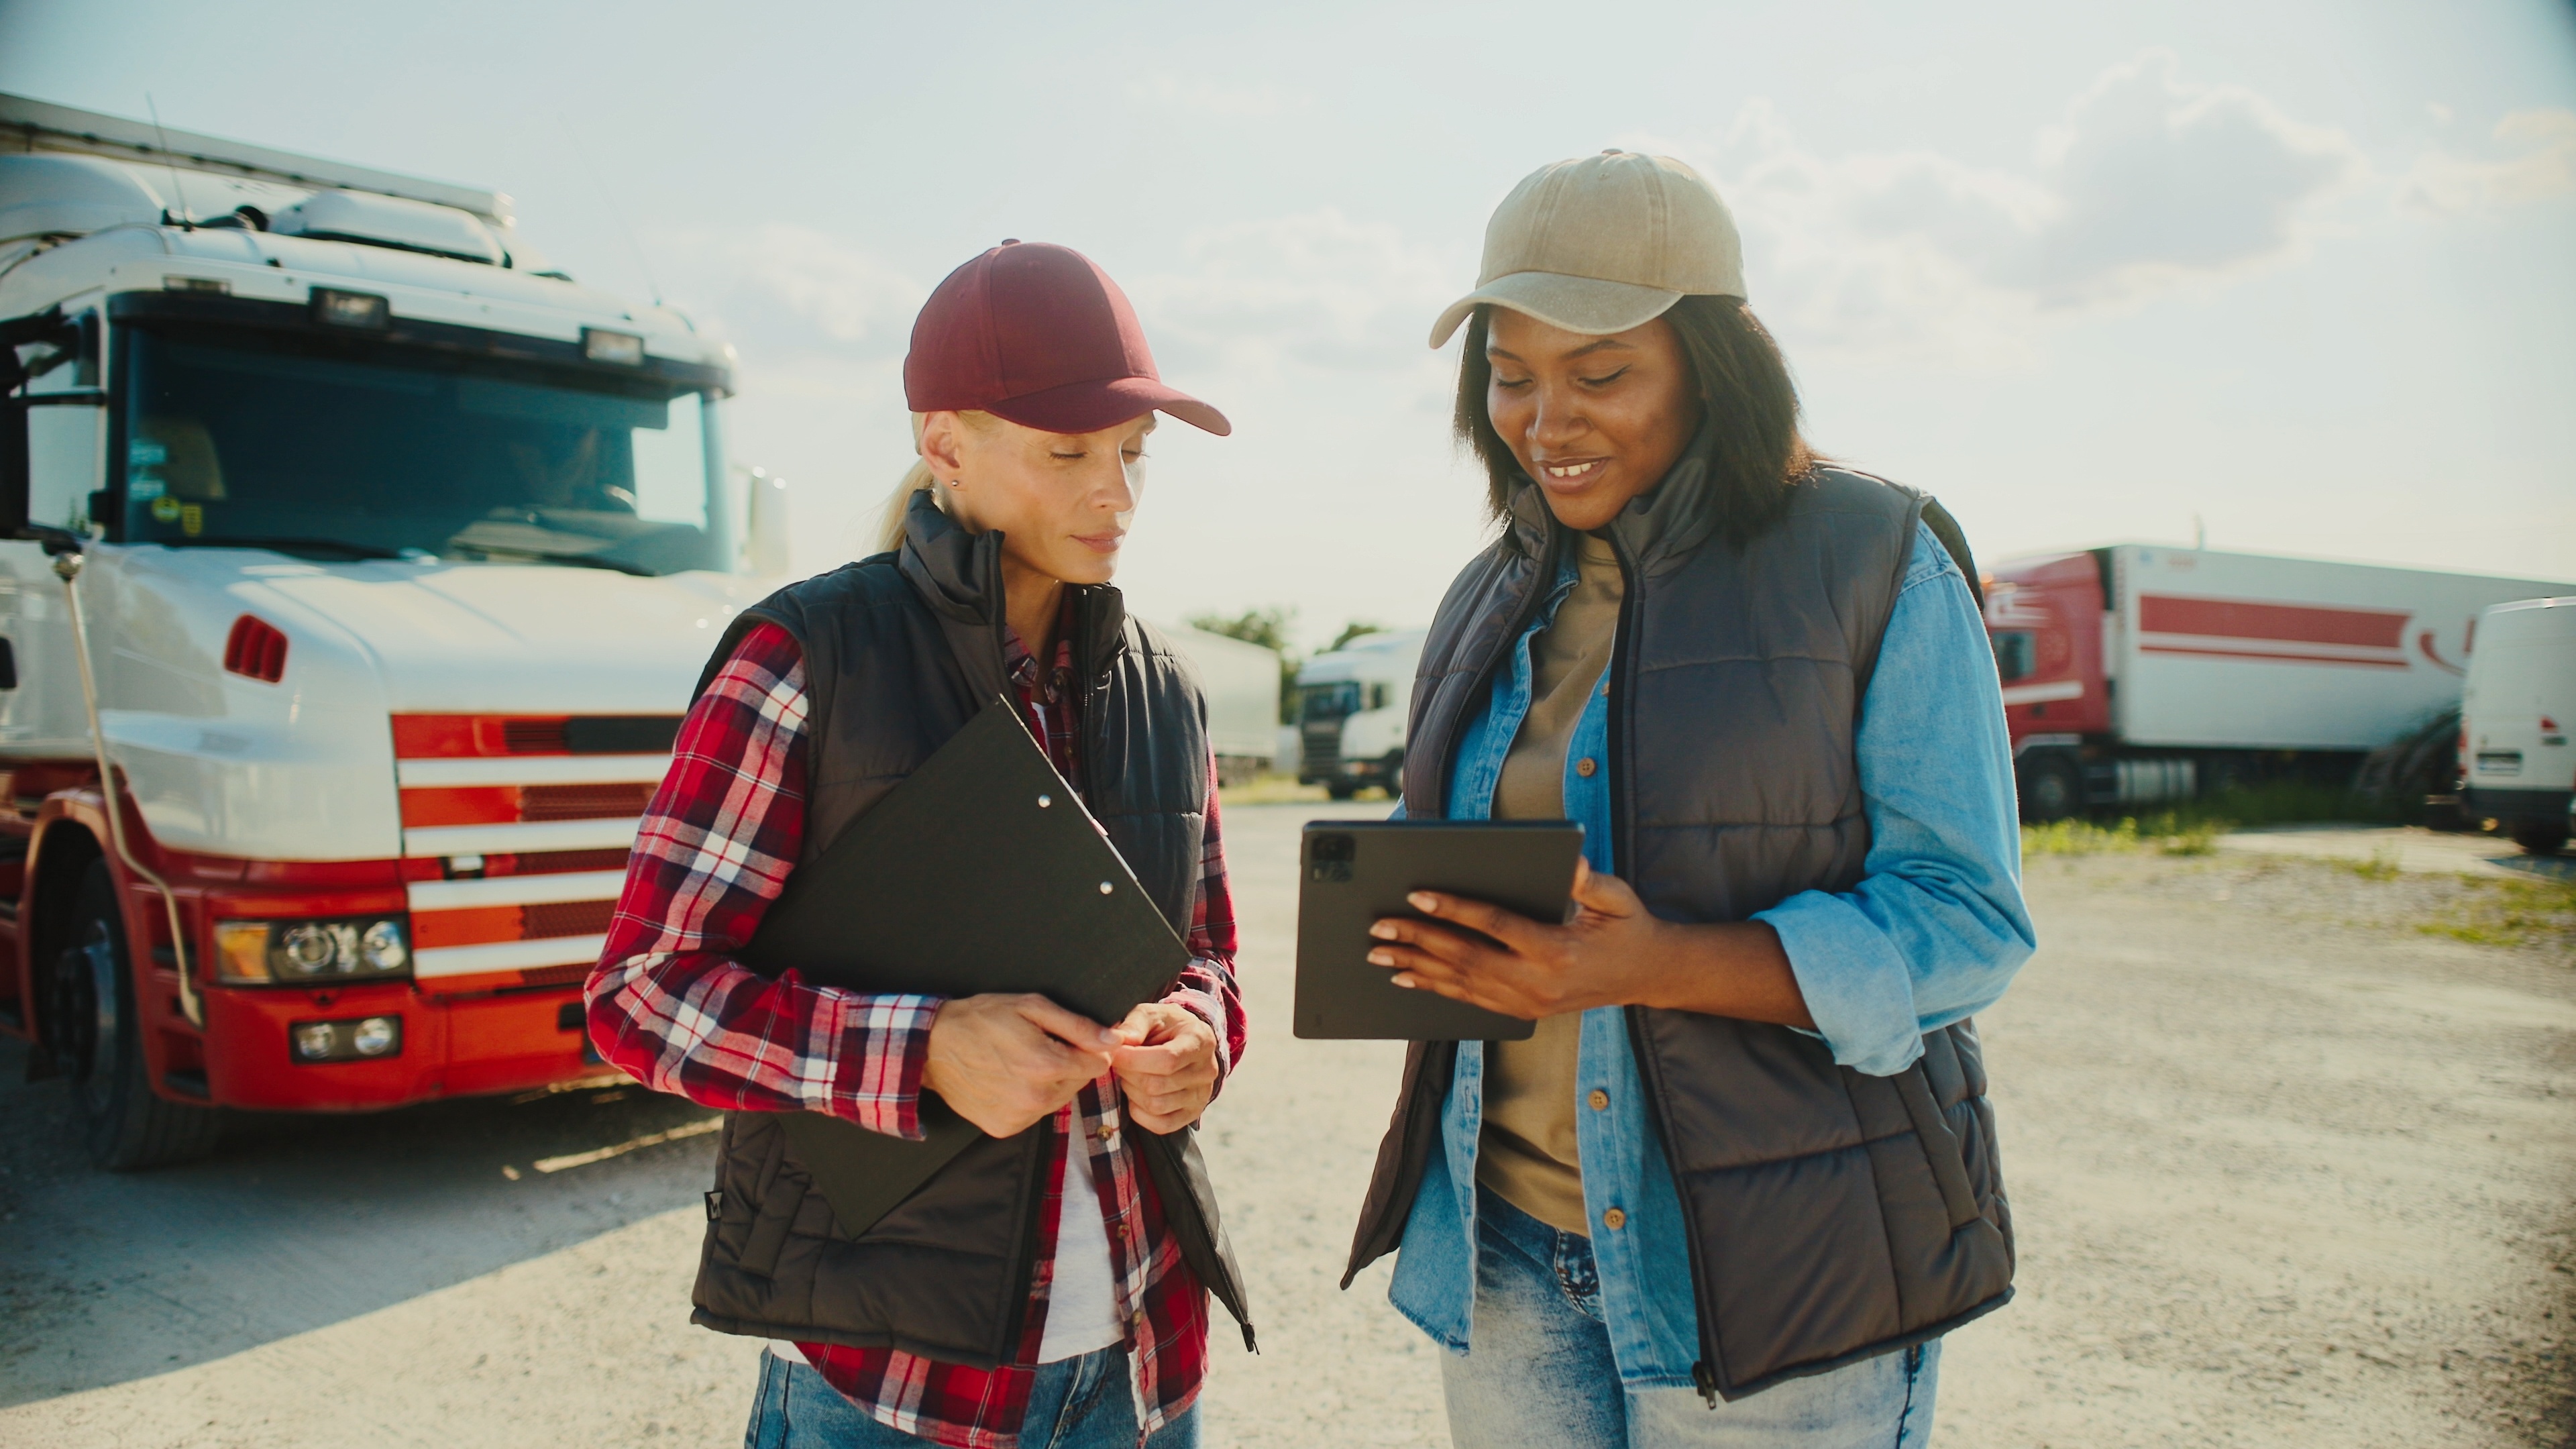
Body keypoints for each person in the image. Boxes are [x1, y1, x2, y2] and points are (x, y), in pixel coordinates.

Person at [1342, 152, 2035, 1448]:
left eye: (1600, 375)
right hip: (1508, 1263)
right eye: (1511, 374)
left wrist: (1658, 963)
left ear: (1715, 370)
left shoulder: (1878, 559)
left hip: (1778, 1273)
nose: (1547, 421)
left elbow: (1968, 921)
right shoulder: (1483, 595)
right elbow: (1453, 886)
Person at [588, 240, 1252, 1449]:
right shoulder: (802, 660)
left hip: (1150, 1373)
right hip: (892, 1395)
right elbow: (642, 997)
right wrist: (924, 1052)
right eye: (1069, 453)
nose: (1118, 494)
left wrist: (1199, 1037)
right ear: (945, 445)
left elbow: (1208, 957)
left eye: (1132, 453)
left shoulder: (1172, 692)